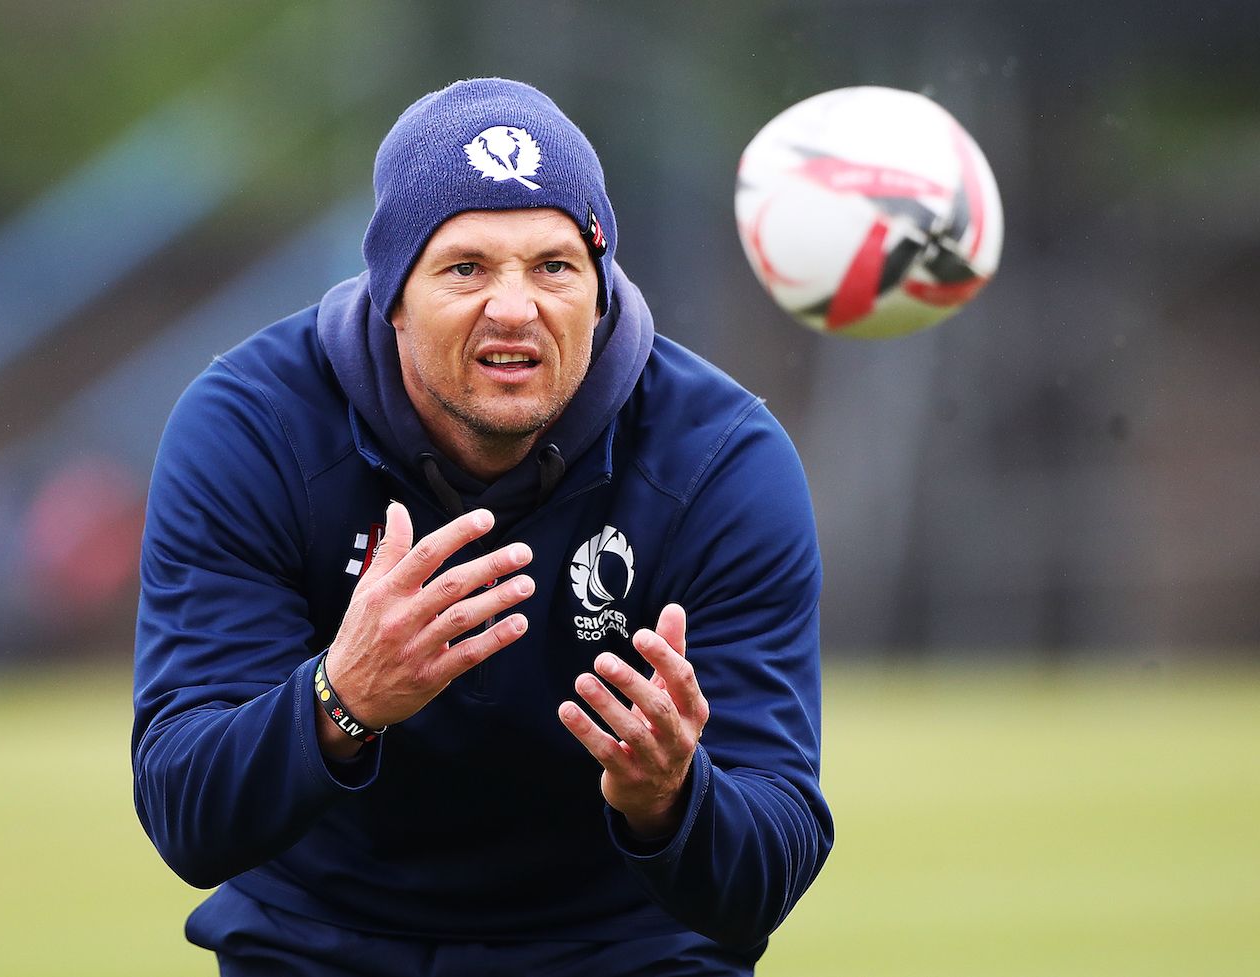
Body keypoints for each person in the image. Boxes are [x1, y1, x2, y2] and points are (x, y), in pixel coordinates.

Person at [133, 78, 832, 977]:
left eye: (554, 265)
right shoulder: (253, 428)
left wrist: (670, 798)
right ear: (393, 294)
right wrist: (341, 698)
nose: (514, 306)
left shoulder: (719, 461)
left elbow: (765, 874)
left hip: (626, 950)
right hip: (321, 945)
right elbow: (188, 815)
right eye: (466, 267)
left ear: (602, 289)